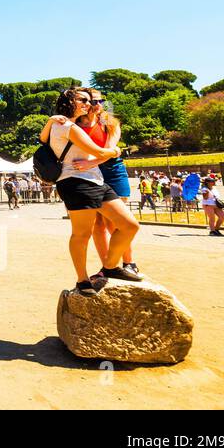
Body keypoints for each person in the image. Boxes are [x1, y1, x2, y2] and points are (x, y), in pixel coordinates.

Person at [41, 88, 143, 295]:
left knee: (129, 225)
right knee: (82, 234)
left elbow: (43, 139)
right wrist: (115, 151)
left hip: (95, 180)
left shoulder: (63, 124)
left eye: (90, 101)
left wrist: (50, 121)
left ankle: (111, 267)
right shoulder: (69, 127)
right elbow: (96, 151)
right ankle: (82, 279)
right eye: (83, 100)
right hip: (75, 182)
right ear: (68, 102)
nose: (88, 104)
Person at [78, 89, 138, 273]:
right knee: (98, 224)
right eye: (93, 101)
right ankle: (107, 267)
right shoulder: (75, 124)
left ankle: (129, 263)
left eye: (101, 101)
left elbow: (110, 150)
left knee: (118, 223)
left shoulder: (110, 123)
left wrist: (91, 162)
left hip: (112, 170)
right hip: (90, 172)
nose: (98, 105)